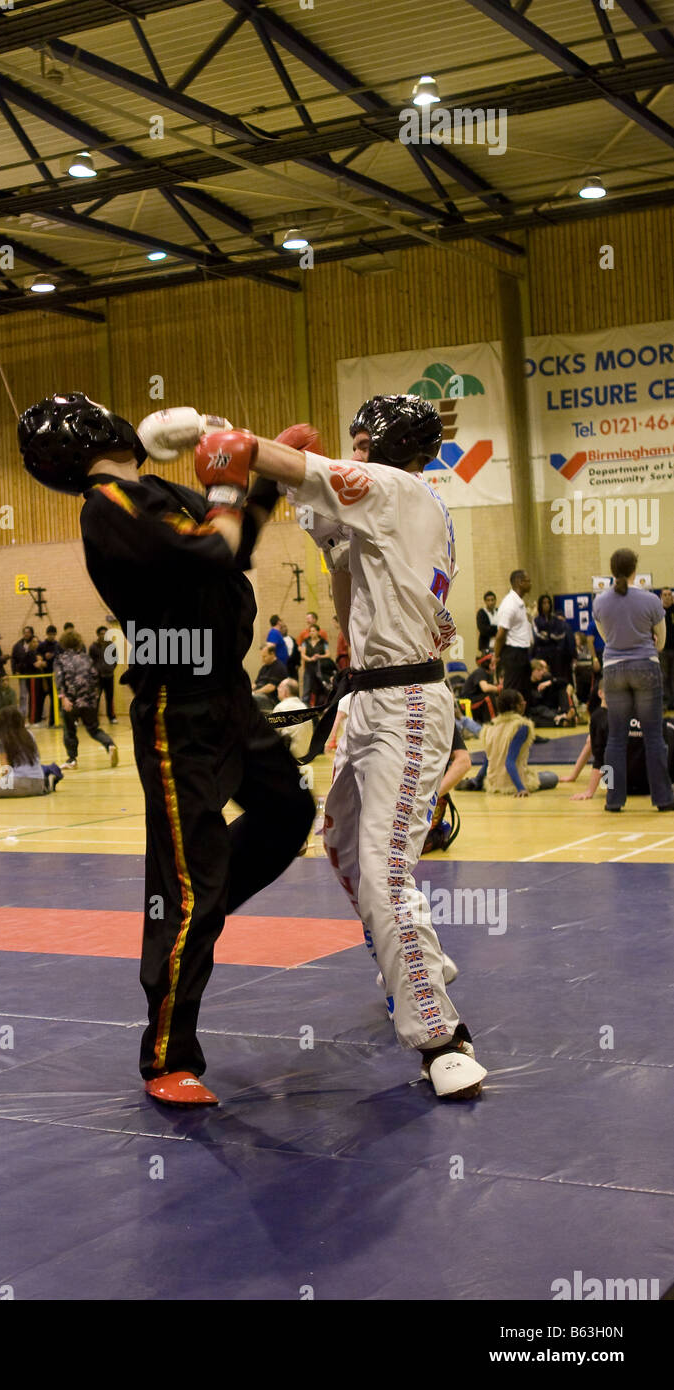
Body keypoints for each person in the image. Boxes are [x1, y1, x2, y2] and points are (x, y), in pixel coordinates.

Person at [19, 394, 313, 1105]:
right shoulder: (106, 505)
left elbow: (233, 544)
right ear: (84, 433)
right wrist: (226, 479)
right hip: (175, 708)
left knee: (287, 814)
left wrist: (260, 474)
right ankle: (166, 1056)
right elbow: (211, 547)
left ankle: (194, 913)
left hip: (229, 694)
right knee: (189, 885)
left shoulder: (150, 490)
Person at [212, 392, 487, 1100]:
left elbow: (285, 467)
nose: (351, 449)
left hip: (402, 700)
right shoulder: (383, 506)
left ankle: (440, 1038)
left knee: (382, 866)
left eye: (360, 439)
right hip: (370, 693)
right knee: (338, 842)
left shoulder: (396, 489)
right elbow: (330, 542)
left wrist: (227, 436)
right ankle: (412, 953)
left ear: (383, 443)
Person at [592, 548, 673, 813]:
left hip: (614, 670)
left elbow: (605, 637)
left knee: (615, 738)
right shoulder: (650, 600)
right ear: (634, 569)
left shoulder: (600, 602)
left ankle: (613, 799)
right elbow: (661, 639)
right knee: (653, 737)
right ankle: (663, 798)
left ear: (612, 569)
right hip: (645, 667)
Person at [561, 689, 674, 801]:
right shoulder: (652, 717)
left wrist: (588, 790)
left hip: (614, 787)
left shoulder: (603, 718)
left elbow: (598, 756)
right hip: (649, 787)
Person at [459, 689, 558, 795]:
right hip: (513, 782)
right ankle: (519, 783)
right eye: (522, 702)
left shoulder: (491, 728)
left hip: (493, 782)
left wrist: (477, 781)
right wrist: (521, 788)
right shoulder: (521, 726)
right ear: (517, 706)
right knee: (552, 777)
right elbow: (509, 761)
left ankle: (475, 782)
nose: (525, 703)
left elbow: (488, 760)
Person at [53, 629, 118, 769]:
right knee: (94, 729)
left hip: (71, 701)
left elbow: (59, 679)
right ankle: (110, 744)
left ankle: (72, 759)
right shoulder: (87, 658)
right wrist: (94, 697)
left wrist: (63, 698)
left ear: (63, 644)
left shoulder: (60, 659)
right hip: (89, 701)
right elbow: (95, 677)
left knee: (69, 730)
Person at [494, 569, 534, 703]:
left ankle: (522, 722)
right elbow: (500, 635)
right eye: (528, 581)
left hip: (522, 653)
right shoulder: (509, 604)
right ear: (519, 582)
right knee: (512, 692)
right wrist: (496, 656)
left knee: (524, 691)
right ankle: (508, 721)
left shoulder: (519, 603)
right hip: (513, 654)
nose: (531, 584)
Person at [532, 594, 575, 684]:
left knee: (556, 678)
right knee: (543, 676)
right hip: (541, 654)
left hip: (555, 654)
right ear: (540, 605)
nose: (546, 605)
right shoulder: (536, 620)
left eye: (548, 603)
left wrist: (549, 635)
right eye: (544, 603)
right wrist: (550, 637)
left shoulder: (556, 620)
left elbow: (560, 635)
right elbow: (538, 635)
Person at [528, 657, 577, 727]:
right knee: (536, 717)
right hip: (537, 711)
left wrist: (550, 682)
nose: (542, 672)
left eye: (542, 670)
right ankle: (563, 720)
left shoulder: (544, 678)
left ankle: (564, 714)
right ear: (532, 671)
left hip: (549, 709)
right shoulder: (526, 684)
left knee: (561, 689)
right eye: (539, 670)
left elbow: (564, 681)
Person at [460, 651, 501, 724]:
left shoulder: (490, 674)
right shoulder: (480, 672)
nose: (495, 666)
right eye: (493, 664)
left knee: (495, 696)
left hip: (477, 699)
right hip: (467, 702)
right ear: (487, 664)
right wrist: (499, 688)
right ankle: (492, 724)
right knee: (488, 697)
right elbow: (485, 688)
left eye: (495, 664)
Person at [89, 625, 118, 723]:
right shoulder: (93, 647)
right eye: (101, 633)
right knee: (96, 698)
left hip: (109, 676)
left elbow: (115, 659)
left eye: (105, 633)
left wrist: (111, 668)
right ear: (98, 635)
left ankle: (111, 717)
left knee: (110, 698)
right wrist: (96, 671)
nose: (103, 635)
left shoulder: (112, 646)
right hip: (98, 677)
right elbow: (90, 661)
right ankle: (94, 719)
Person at [251, 642, 288, 711]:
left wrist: (255, 692)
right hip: (260, 695)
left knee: (253, 698)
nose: (262, 659)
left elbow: (271, 687)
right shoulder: (264, 668)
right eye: (262, 656)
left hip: (271, 699)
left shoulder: (279, 667)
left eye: (265, 656)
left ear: (272, 654)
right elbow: (256, 683)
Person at [35, 624, 59, 728]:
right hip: (44, 675)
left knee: (55, 699)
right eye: (50, 634)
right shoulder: (42, 645)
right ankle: (37, 720)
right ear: (47, 634)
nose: (52, 636)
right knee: (40, 698)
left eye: (53, 634)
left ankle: (53, 721)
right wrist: (41, 661)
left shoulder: (58, 645)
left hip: (55, 675)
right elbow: (38, 657)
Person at [11, 625, 36, 718]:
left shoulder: (36, 643)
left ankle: (38, 715)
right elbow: (13, 659)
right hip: (23, 673)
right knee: (23, 695)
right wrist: (15, 670)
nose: (26, 634)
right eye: (24, 632)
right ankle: (22, 715)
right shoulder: (17, 646)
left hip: (34, 674)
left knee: (35, 695)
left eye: (28, 632)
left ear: (32, 633)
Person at [573, 630, 601, 711]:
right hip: (578, 672)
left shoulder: (587, 648)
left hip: (588, 671)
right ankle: (581, 700)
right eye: (574, 639)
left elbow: (588, 658)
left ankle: (588, 700)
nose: (576, 641)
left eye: (577, 639)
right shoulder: (574, 650)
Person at [660, 587, 674, 712]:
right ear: (661, 597)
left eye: (670, 594)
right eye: (665, 594)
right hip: (663, 650)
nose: (668, 597)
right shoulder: (658, 612)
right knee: (663, 676)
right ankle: (665, 702)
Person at [476, 591, 498, 655]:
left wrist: (491, 628)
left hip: (498, 645)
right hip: (486, 646)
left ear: (495, 600)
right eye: (488, 600)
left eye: (492, 600)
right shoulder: (481, 613)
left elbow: (503, 627)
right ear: (485, 601)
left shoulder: (499, 611)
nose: (491, 602)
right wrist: (497, 629)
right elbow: (483, 630)